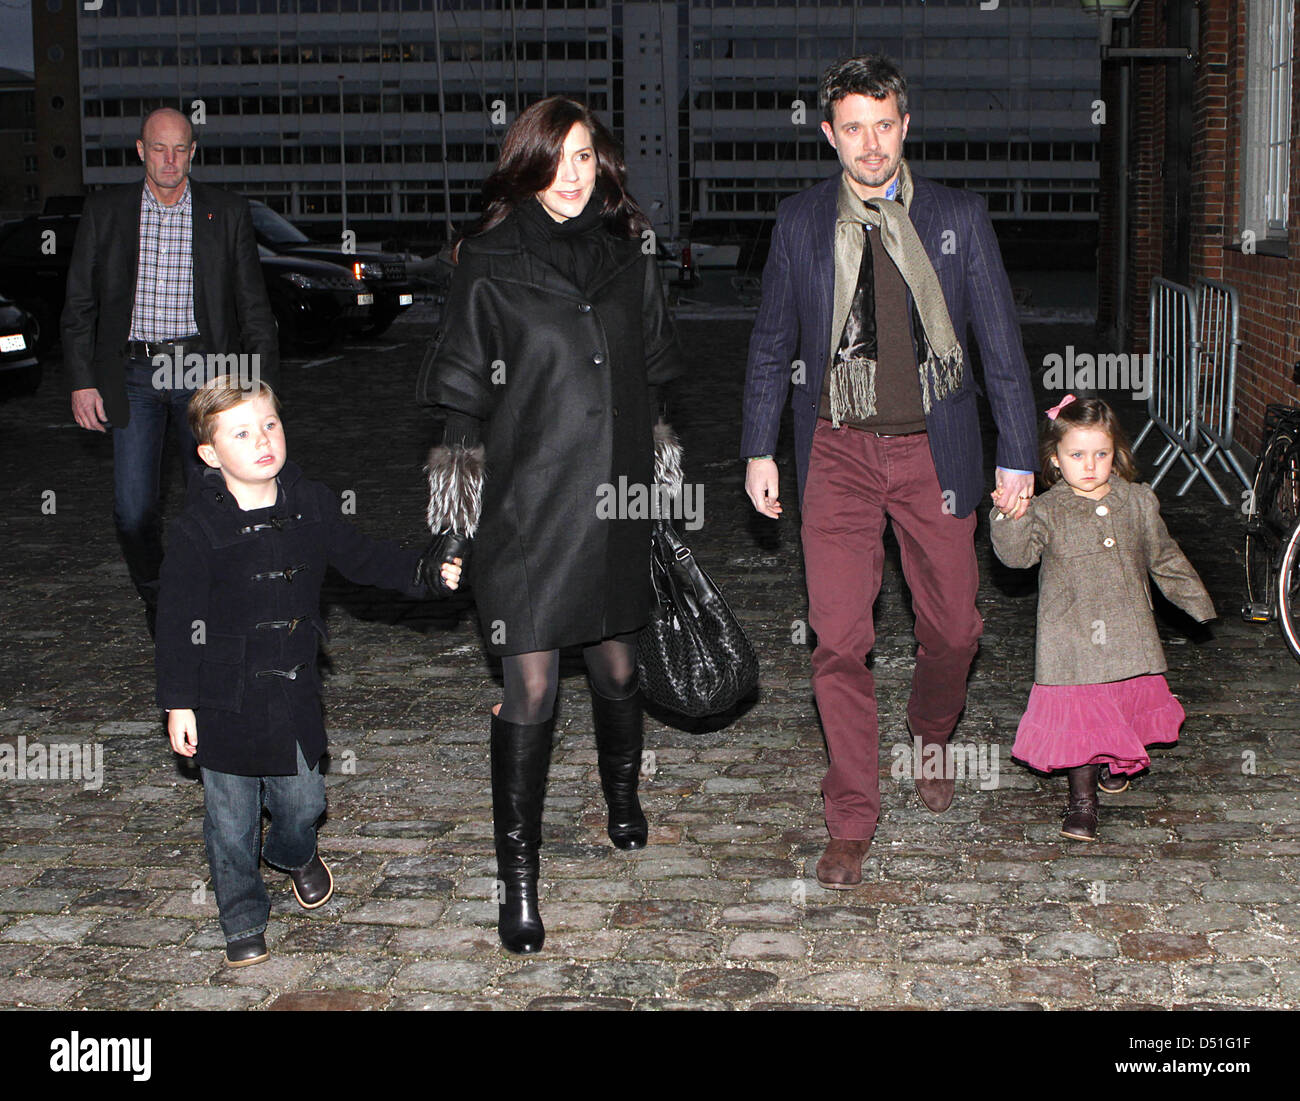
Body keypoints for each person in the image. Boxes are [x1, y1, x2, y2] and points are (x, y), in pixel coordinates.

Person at [740, 54, 1039, 889]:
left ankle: (932, 729)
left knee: (955, 629)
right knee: (839, 639)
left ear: (905, 127)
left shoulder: (959, 218)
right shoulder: (799, 223)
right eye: (853, 129)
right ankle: (851, 816)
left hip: (933, 450)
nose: (871, 145)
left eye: (885, 125)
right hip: (835, 448)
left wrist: (1018, 455)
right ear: (829, 134)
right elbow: (770, 342)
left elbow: (1002, 348)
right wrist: (760, 446)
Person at [417, 95, 685, 954]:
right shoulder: (488, 262)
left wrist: (660, 494)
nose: (576, 173)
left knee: (616, 665)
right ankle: (520, 881)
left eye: (587, 157)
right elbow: (462, 407)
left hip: (611, 501)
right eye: (560, 156)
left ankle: (622, 796)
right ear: (528, 162)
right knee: (529, 685)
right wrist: (454, 526)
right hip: (527, 510)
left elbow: (654, 396)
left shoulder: (625, 258)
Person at [155, 375, 451, 967]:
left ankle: (294, 852)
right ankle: (241, 916)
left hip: (292, 693)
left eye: (270, 424)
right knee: (230, 822)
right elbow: (176, 620)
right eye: (241, 433)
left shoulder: (311, 503)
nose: (262, 439)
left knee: (302, 801)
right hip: (222, 698)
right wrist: (178, 701)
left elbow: (363, 557)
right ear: (210, 455)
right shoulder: (196, 531)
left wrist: (423, 569)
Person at [62, 107, 279, 636]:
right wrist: (82, 380)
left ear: (193, 152)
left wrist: (258, 387)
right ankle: (161, 596)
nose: (169, 159)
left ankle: (212, 597)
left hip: (206, 373)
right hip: (132, 374)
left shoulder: (224, 212)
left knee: (213, 499)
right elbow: (79, 304)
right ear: (140, 151)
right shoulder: (107, 211)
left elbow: (253, 305)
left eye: (180, 148)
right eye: (159, 148)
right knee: (134, 509)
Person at [989, 395, 1215, 841]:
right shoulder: (1046, 508)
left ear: (1117, 454)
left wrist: (1196, 601)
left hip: (1127, 631)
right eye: (1077, 455)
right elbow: (1016, 559)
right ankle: (1082, 802)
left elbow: (1163, 556)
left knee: (1120, 701)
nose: (1090, 465)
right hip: (1069, 636)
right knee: (1080, 716)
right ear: (1055, 459)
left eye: (1101, 454)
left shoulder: (1137, 501)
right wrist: (1009, 516)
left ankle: (1116, 760)